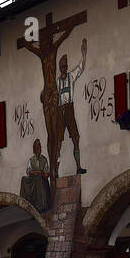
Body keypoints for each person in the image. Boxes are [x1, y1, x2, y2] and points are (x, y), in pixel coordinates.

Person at [55, 39, 87, 175]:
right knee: (58, 142)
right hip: (60, 110)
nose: (64, 68)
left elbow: (81, 68)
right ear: (59, 67)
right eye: (62, 66)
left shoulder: (70, 76)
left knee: (76, 138)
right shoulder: (56, 82)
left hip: (69, 109)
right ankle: (55, 170)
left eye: (65, 65)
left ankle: (78, 166)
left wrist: (84, 54)